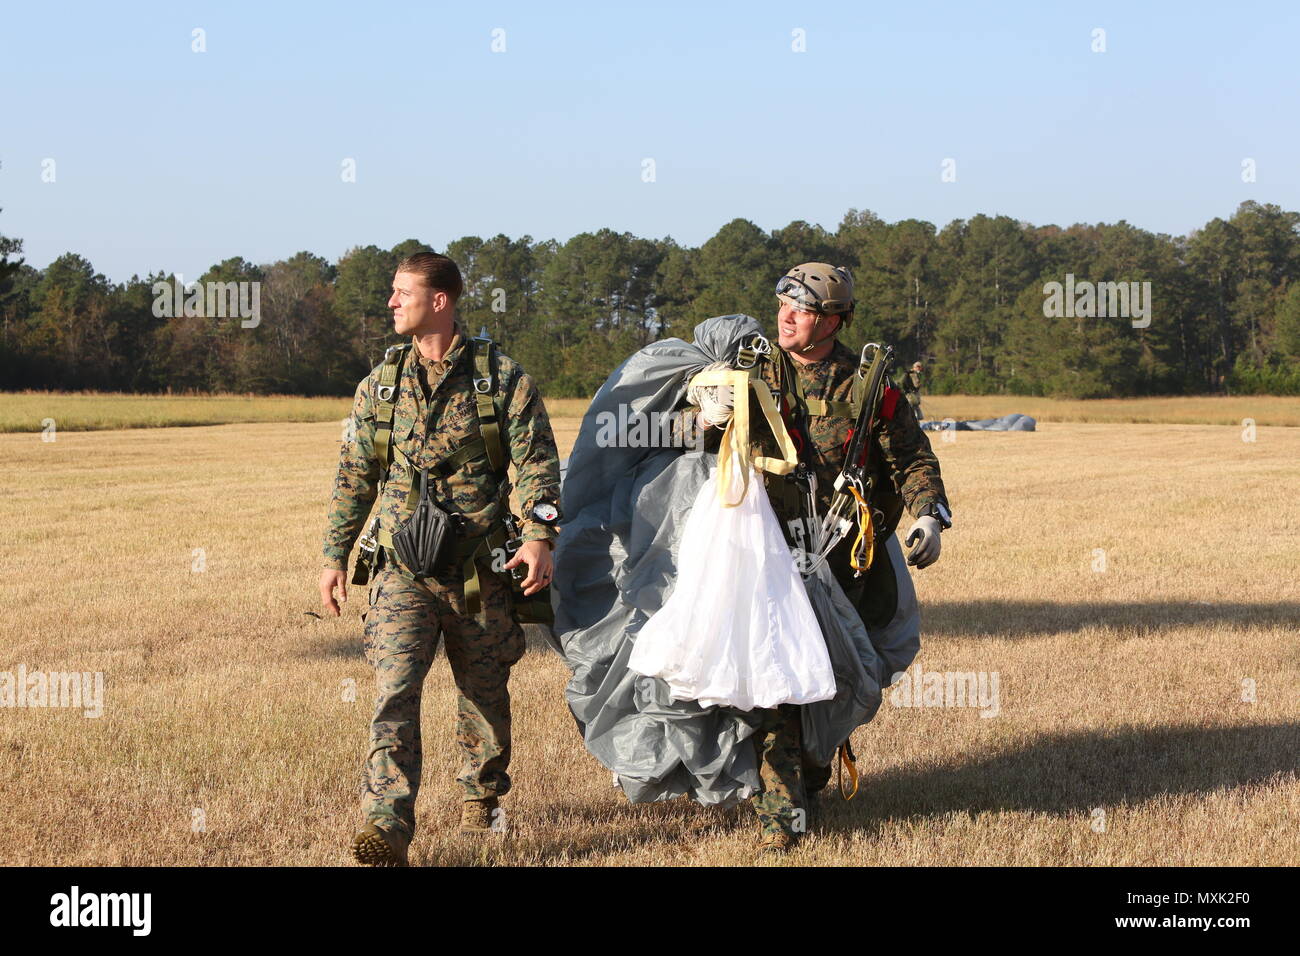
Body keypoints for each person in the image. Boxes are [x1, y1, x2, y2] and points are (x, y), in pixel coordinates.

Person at [689, 262, 952, 853]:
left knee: (827, 681)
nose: (786, 316)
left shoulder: (868, 386)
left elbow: (911, 459)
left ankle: (810, 779)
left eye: (802, 309)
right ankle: (782, 819)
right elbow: (689, 440)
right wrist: (706, 416)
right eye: (783, 303)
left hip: (841, 558)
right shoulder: (750, 370)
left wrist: (930, 515)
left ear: (832, 321)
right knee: (777, 683)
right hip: (765, 553)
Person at [319, 252, 562, 866]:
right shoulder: (380, 385)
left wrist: (538, 535)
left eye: (402, 293)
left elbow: (536, 463)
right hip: (402, 569)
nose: (391, 303)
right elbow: (355, 475)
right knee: (394, 689)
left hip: (479, 572)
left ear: (440, 301)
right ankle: (387, 824)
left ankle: (481, 797)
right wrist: (334, 555)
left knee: (484, 692)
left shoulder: (500, 379)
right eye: (393, 292)